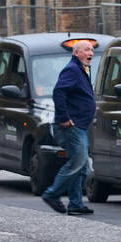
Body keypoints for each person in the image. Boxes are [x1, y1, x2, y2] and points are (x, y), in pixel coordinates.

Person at [41, 39, 96, 215]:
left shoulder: (82, 69)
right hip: (72, 126)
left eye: (92, 50)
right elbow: (59, 92)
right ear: (76, 53)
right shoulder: (72, 69)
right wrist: (64, 117)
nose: (90, 53)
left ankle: (75, 204)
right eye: (86, 50)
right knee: (77, 163)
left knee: (81, 166)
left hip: (80, 125)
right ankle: (51, 194)